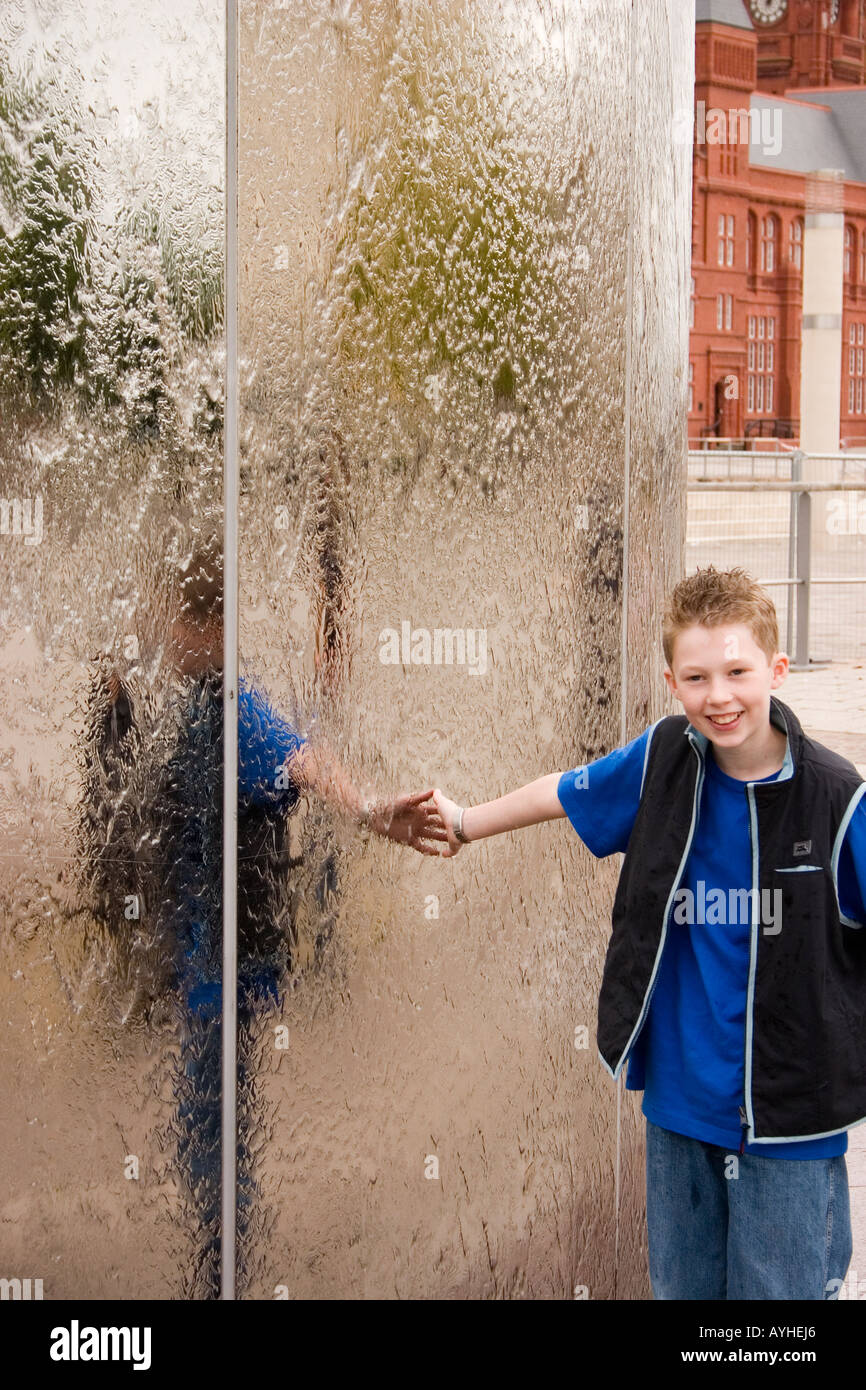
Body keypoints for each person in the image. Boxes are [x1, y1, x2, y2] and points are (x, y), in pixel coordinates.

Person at [428, 565, 866, 1301]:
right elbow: (565, 791)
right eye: (697, 678)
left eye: (737, 671)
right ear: (672, 682)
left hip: (792, 1116)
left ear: (777, 670)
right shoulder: (664, 760)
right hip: (681, 1103)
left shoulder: (837, 798)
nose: (718, 696)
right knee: (683, 1293)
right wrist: (465, 822)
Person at [77, 533, 445, 1296]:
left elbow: (306, 760)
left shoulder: (235, 708)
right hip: (202, 960)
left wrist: (374, 811)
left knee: (210, 1134)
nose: (157, 636)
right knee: (207, 1129)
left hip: (225, 968)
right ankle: (220, 1260)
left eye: (170, 622)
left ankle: (223, 1274)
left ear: (205, 629)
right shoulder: (186, 700)